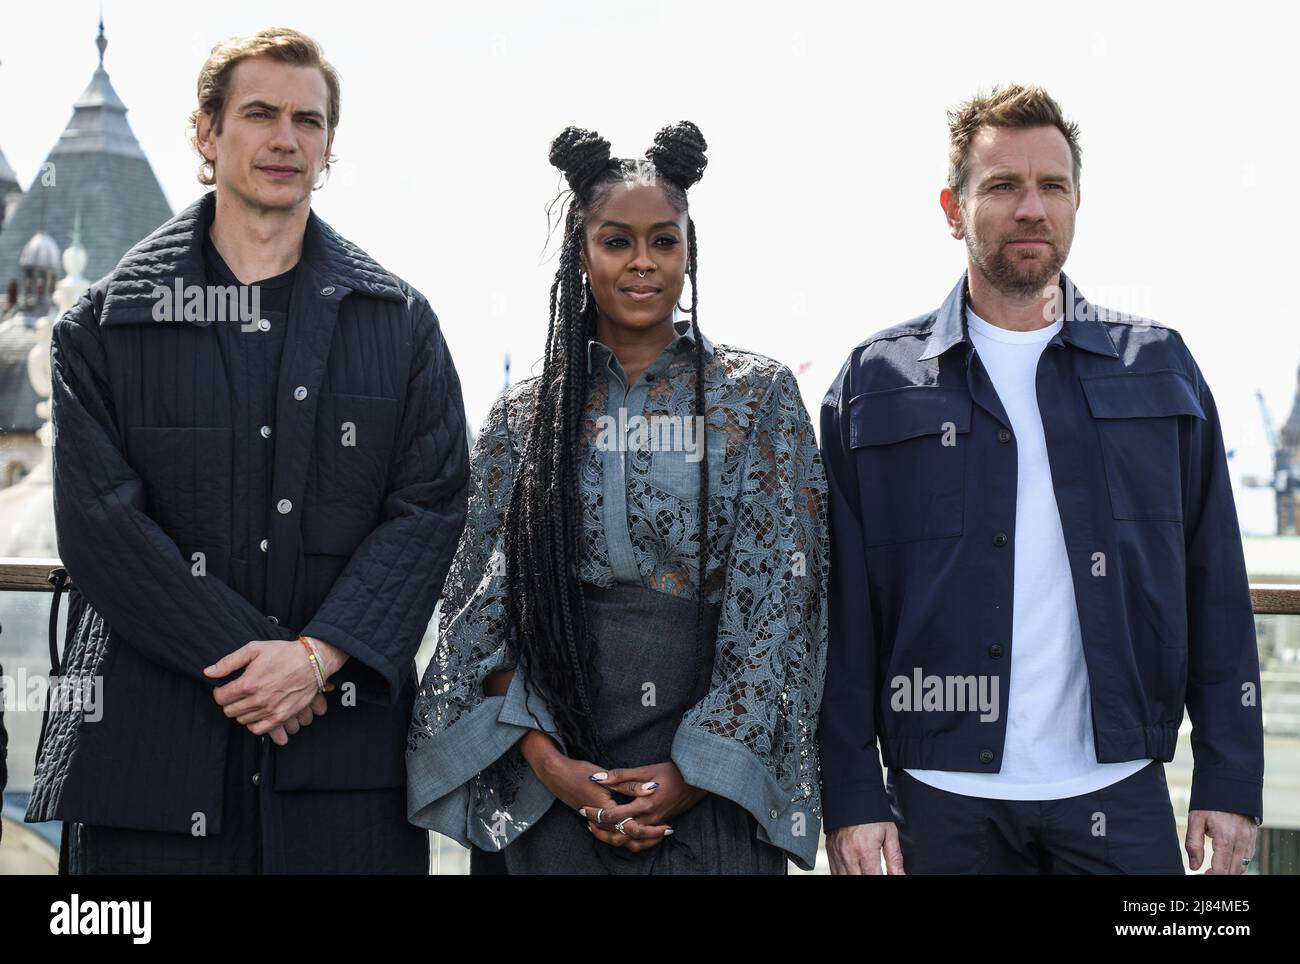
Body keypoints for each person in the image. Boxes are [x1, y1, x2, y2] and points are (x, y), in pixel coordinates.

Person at [28, 27, 469, 873]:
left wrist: (315, 659)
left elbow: (431, 508)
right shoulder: (103, 327)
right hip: (149, 770)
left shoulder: (401, 325)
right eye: (260, 113)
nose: (285, 139)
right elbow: (101, 530)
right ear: (205, 131)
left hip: (343, 782)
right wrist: (267, 668)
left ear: (330, 144)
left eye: (308, 120)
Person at [818, 84, 1263, 875]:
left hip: (1117, 790)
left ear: (1077, 203)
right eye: (1003, 187)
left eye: (1052, 186)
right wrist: (851, 792)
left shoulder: (1159, 368)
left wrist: (1229, 777)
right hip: (938, 797)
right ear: (953, 208)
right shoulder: (875, 385)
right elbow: (841, 612)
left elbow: (1216, 586)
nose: (1031, 209)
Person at [407, 122, 828, 874]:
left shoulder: (757, 398)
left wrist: (692, 775)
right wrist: (551, 766)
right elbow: (481, 611)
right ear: (581, 252)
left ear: (689, 251)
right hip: (553, 773)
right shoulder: (524, 418)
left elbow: (780, 606)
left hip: (707, 770)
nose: (642, 262)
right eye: (617, 241)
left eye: (663, 241)